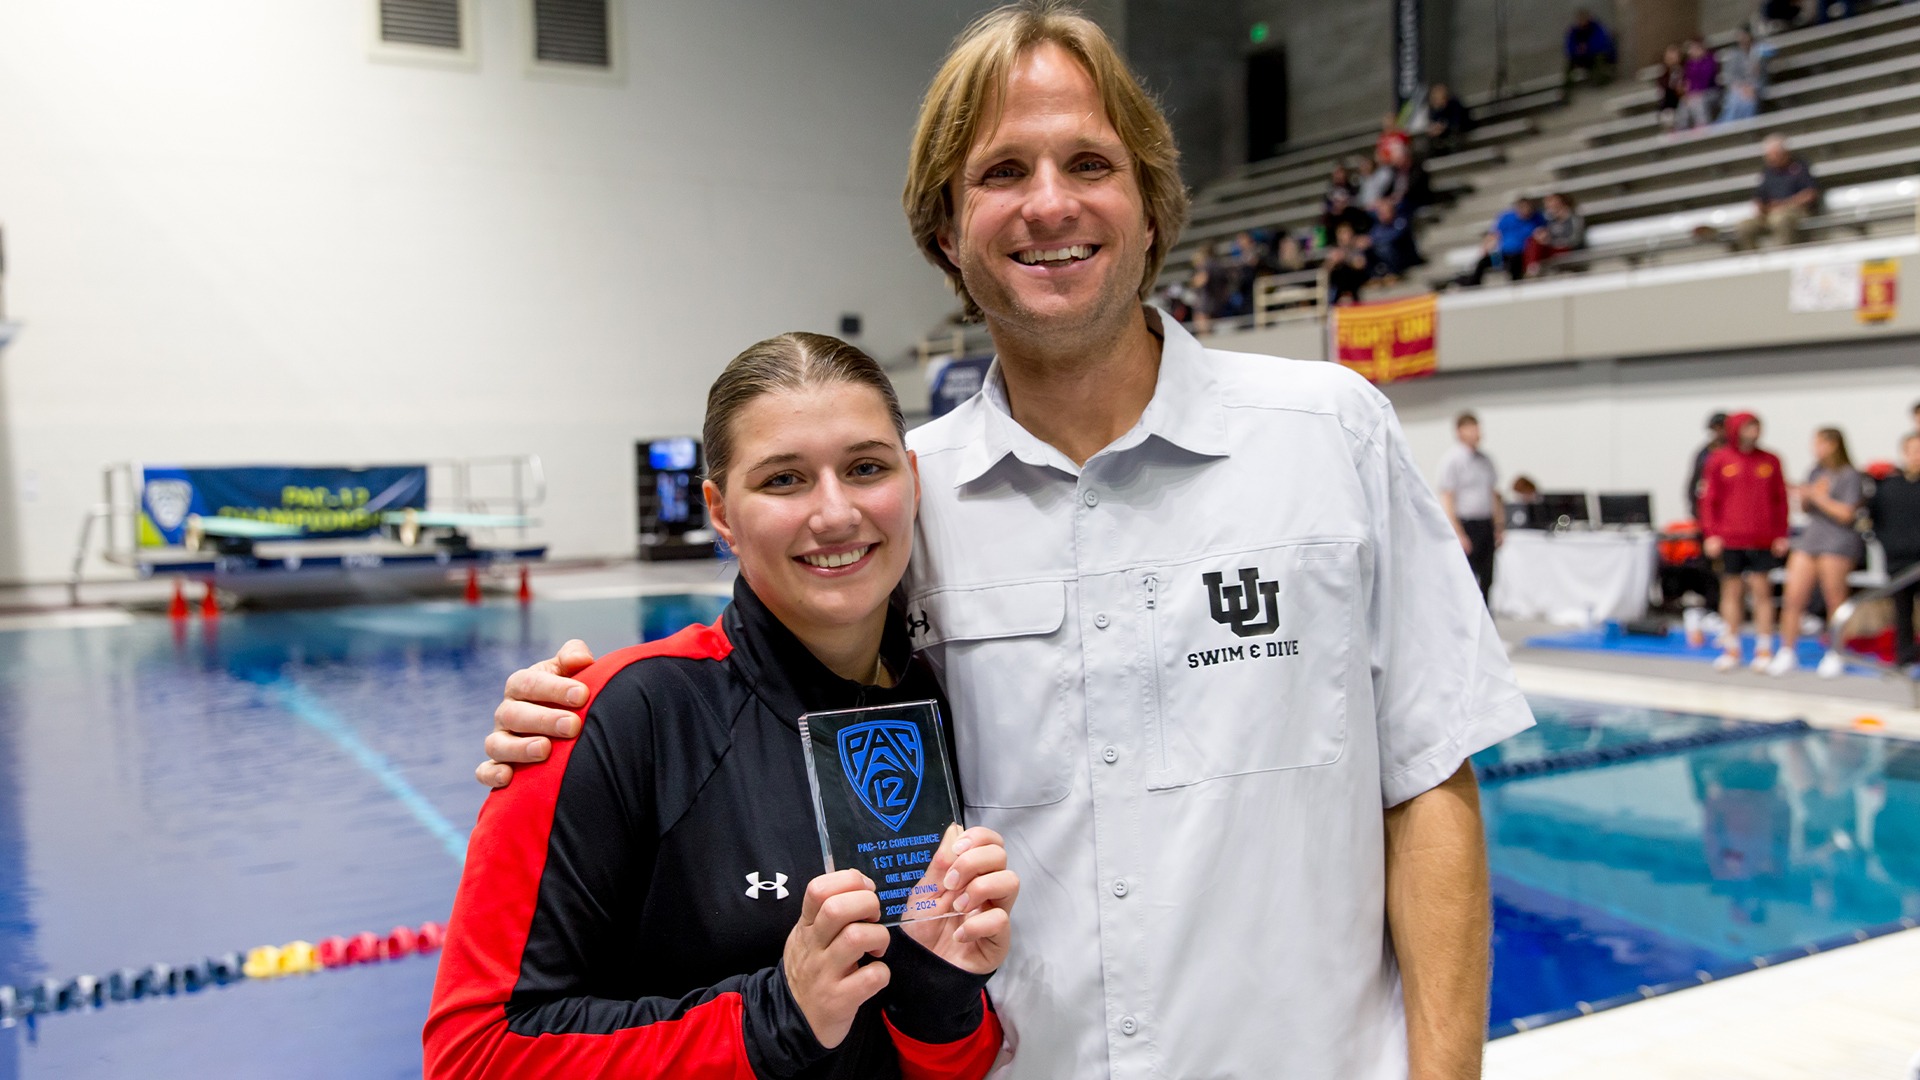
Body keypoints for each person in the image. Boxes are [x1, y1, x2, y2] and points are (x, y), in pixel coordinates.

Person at [479, 5, 1535, 1077]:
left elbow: (1427, 780)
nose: (1050, 204)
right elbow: (754, 693)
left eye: (1090, 163)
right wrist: (573, 715)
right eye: (1001, 172)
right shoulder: (906, 501)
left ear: (1150, 206)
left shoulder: (1329, 436)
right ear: (947, 231)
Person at [424, 334, 1018, 1079]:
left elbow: (942, 1062)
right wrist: (779, 1018)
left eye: (866, 468)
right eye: (784, 480)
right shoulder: (619, 717)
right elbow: (473, 1056)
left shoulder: (948, 705)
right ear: (720, 512)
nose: (835, 513)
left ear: (914, 480)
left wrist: (936, 998)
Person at [1699, 412, 1790, 672]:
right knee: (1732, 591)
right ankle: (1732, 646)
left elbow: (1780, 499)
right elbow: (1709, 500)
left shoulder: (1770, 460)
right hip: (1730, 537)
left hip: (1762, 538)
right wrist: (1711, 533)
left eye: (1757, 426)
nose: (1755, 431)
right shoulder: (1720, 459)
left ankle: (1764, 647)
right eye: (1750, 426)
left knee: (1762, 592)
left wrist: (1781, 533)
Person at [1772, 427, 1864, 678]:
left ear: (1833, 444)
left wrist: (1818, 497)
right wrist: (1803, 495)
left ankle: (1835, 652)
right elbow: (1807, 507)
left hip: (1837, 541)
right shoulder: (1815, 471)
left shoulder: (1849, 475)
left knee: (1834, 599)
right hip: (1810, 538)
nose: (1815, 449)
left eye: (1820, 443)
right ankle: (1787, 650)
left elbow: (1846, 514)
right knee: (1793, 597)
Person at [1438, 411, 1504, 603]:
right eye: (1471, 429)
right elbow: (1448, 498)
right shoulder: (1452, 460)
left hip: (1485, 523)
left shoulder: (1485, 460)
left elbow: (1493, 494)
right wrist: (1458, 532)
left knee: (1487, 577)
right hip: (1466, 524)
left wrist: (1499, 525)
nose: (1477, 433)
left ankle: (1487, 616)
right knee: (1466, 577)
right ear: (1460, 431)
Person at [1870, 433, 1920, 670]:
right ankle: (1905, 656)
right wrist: (1888, 544)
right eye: (1914, 450)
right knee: (1902, 612)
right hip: (1898, 560)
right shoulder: (1888, 486)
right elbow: (1875, 520)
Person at [1733, 135, 1819, 250]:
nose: (1772, 159)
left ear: (1785, 153)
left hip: (1794, 211)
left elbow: (1810, 194)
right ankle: (1751, 257)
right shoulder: (1768, 172)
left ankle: (1784, 255)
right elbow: (1759, 197)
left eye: (1775, 155)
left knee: (1779, 219)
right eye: (1769, 156)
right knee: (1744, 226)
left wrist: (1784, 204)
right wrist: (1762, 208)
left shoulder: (1799, 167)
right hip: (1770, 213)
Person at [1461, 194, 1546, 287]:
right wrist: (1485, 248)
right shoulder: (1506, 217)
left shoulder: (1537, 219)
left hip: (1522, 254)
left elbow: (1542, 234)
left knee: (1514, 263)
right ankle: (1474, 284)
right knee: (1483, 262)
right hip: (1502, 254)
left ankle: (1515, 286)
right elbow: (1494, 234)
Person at [1521, 192, 1586, 277]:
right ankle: (1532, 268)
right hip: (1554, 249)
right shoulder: (1550, 221)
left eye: (1550, 201)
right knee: (1533, 240)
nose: (1547, 205)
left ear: (1560, 202)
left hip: (1568, 249)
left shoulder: (1574, 218)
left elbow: (1575, 239)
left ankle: (1532, 270)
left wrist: (1554, 242)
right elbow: (1549, 238)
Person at [1718, 28, 1769, 124]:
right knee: (1735, 100)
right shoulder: (1734, 55)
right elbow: (1730, 77)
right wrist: (1742, 87)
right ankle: (1727, 127)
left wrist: (1753, 88)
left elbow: (1761, 76)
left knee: (1750, 101)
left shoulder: (1759, 52)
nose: (1742, 39)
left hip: (1754, 88)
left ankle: (1748, 126)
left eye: (1745, 36)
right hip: (1738, 88)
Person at [1689, 412, 1730, 520]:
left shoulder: (1739, 453)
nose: (1720, 432)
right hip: (1712, 504)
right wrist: (1694, 507)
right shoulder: (1705, 453)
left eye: (1723, 428)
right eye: (1716, 428)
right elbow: (1695, 481)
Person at [1677, 38, 1721, 131]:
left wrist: (1695, 92)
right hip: (1694, 93)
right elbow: (1687, 81)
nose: (1693, 51)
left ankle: (1703, 125)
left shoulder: (1709, 61)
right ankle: (1681, 128)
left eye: (1695, 48)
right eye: (1691, 49)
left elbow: (1706, 80)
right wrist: (1688, 94)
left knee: (1698, 100)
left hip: (1711, 92)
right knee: (1684, 102)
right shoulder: (1689, 64)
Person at [1565, 9, 1618, 86]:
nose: (1582, 21)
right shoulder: (1575, 32)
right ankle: (1567, 86)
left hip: (1596, 55)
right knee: (1570, 63)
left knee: (1599, 58)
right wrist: (1577, 50)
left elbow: (1601, 43)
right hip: (1582, 56)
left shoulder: (1596, 28)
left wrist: (1587, 48)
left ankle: (1600, 81)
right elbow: (1570, 46)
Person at [1424, 82, 1473, 157]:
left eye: (1438, 99)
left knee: (1453, 138)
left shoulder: (1454, 104)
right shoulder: (1434, 109)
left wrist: (1444, 126)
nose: (1436, 102)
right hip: (1444, 132)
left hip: (1462, 128)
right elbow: (1434, 121)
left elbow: (1457, 122)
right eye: (1434, 100)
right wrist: (1435, 128)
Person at [1656, 44, 1686, 132]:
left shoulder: (1686, 69)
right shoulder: (1664, 75)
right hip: (1670, 105)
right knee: (1667, 116)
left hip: (1683, 100)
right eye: (1669, 57)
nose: (1671, 58)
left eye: (1673, 55)